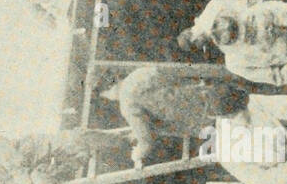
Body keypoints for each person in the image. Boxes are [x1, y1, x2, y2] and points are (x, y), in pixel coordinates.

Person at [101, 65, 252, 165]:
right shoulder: (140, 73)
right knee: (255, 109)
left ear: (107, 90)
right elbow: (179, 75)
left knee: (248, 135)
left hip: (203, 119)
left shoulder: (127, 104)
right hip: (208, 94)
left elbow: (146, 141)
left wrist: (137, 154)